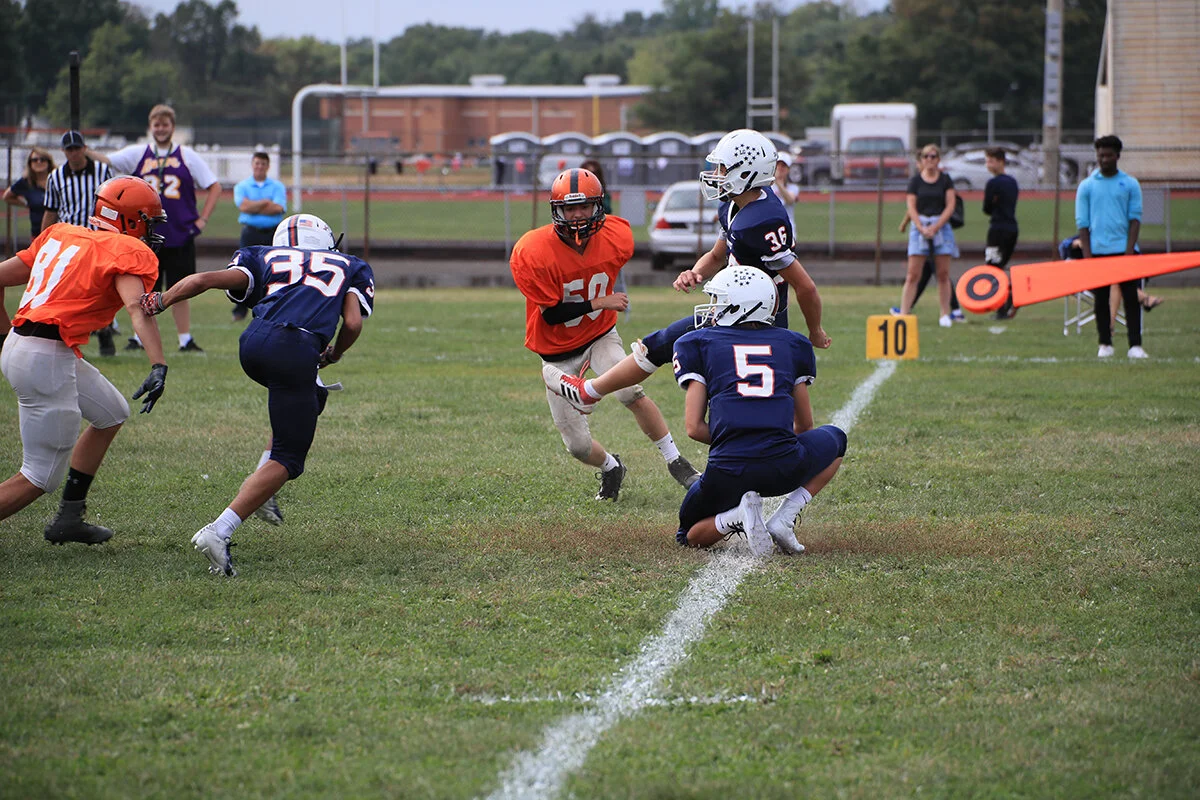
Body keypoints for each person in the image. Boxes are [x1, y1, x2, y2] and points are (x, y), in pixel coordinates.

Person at [138, 213, 375, 577]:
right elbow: (354, 323)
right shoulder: (351, 266)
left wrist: (161, 300)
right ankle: (219, 530)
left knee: (310, 397)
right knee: (289, 458)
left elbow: (204, 279)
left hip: (254, 343)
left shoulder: (263, 255)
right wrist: (336, 352)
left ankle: (262, 487)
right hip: (295, 347)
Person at [543, 129, 830, 414]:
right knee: (670, 348)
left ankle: (589, 392)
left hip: (757, 314)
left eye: (722, 168)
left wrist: (814, 330)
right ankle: (590, 392)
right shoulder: (734, 205)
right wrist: (696, 272)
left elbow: (804, 286)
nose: (715, 174)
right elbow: (718, 255)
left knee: (759, 387)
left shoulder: (762, 219)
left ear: (747, 173)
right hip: (733, 304)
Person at [509, 167, 700, 501]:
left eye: (584, 206)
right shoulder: (534, 250)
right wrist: (599, 300)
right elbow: (552, 314)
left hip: (599, 335)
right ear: (558, 211)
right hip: (557, 353)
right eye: (570, 208)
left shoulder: (615, 235)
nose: (578, 215)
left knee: (630, 393)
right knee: (578, 447)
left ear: (598, 206)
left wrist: (599, 304)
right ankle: (612, 466)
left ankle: (676, 461)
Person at [0, 176, 169, 542]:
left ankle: (69, 517)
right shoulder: (128, 250)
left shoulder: (61, 233)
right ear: (130, 219)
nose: (152, 231)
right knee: (38, 477)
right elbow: (136, 309)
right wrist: (158, 364)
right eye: (149, 221)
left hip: (22, 344)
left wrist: (2, 333)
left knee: (111, 412)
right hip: (46, 357)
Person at [671, 266, 846, 556]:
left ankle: (734, 517)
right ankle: (785, 517)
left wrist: (736, 440)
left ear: (739, 305)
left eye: (719, 301)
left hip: (726, 470)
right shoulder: (793, 343)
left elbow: (693, 427)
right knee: (836, 438)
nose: (713, 310)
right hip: (783, 466)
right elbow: (805, 426)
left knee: (687, 535)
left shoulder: (697, 343)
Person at [101, 104, 221, 353]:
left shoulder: (187, 155)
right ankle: (138, 337)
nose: (161, 128)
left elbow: (214, 185)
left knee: (182, 287)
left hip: (179, 232)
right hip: (145, 235)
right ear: (150, 127)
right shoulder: (138, 153)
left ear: (173, 127)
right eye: (157, 124)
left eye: (165, 124)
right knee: (144, 289)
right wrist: (81, 148)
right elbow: (106, 161)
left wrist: (202, 220)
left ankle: (185, 339)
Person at [1075, 135, 1146, 359]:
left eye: (1108, 155)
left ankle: (1135, 345)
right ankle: (1104, 343)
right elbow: (1083, 225)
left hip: (1123, 251)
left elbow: (1135, 220)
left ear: (1117, 156)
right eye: (1100, 155)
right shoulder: (1086, 186)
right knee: (1101, 300)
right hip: (1097, 252)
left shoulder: (1130, 184)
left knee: (1131, 299)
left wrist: (1128, 252)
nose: (1104, 159)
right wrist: (1087, 257)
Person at [897, 144, 959, 328]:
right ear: (921, 160)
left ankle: (944, 314)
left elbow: (950, 205)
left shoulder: (946, 180)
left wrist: (937, 226)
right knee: (912, 274)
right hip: (920, 228)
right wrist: (920, 227)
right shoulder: (915, 182)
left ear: (938, 159)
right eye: (926, 156)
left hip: (941, 227)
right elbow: (911, 207)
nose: (930, 160)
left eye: (933, 156)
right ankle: (904, 313)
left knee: (943, 274)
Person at [230, 150, 287, 321]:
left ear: (268, 166)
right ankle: (240, 309)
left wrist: (254, 206)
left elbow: (278, 208)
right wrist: (265, 203)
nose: (260, 167)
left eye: (263, 164)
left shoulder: (277, 186)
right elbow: (244, 207)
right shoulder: (242, 186)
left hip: (272, 233)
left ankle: (271, 307)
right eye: (257, 163)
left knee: (273, 269)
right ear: (252, 165)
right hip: (251, 232)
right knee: (244, 269)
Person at [983, 147, 1021, 320]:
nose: (988, 164)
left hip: (997, 229)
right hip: (1012, 229)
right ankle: (1007, 300)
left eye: (990, 161)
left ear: (1000, 162)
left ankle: (1003, 305)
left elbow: (987, 208)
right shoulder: (1012, 182)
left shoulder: (993, 183)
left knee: (993, 268)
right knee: (1000, 265)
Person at [3, 146, 55, 242]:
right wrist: (26, 204)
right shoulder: (26, 182)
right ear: (30, 163)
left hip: (58, 233)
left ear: (48, 162)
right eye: (35, 160)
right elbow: (7, 196)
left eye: (42, 159)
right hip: (37, 235)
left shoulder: (57, 179)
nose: (39, 162)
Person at [770, 150, 798, 232]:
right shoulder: (767, 187)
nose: (780, 168)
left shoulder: (793, 188)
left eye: (783, 166)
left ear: (788, 169)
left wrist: (779, 183)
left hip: (788, 229)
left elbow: (790, 200)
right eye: (778, 165)